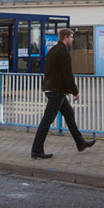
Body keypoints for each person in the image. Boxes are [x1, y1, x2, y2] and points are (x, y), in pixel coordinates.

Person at [30, 29, 95, 159]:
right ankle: (36, 150)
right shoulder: (63, 53)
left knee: (69, 115)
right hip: (56, 91)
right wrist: (75, 91)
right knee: (47, 121)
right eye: (71, 37)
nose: (73, 39)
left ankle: (80, 143)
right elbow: (67, 75)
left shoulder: (53, 50)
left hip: (53, 89)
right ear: (65, 37)